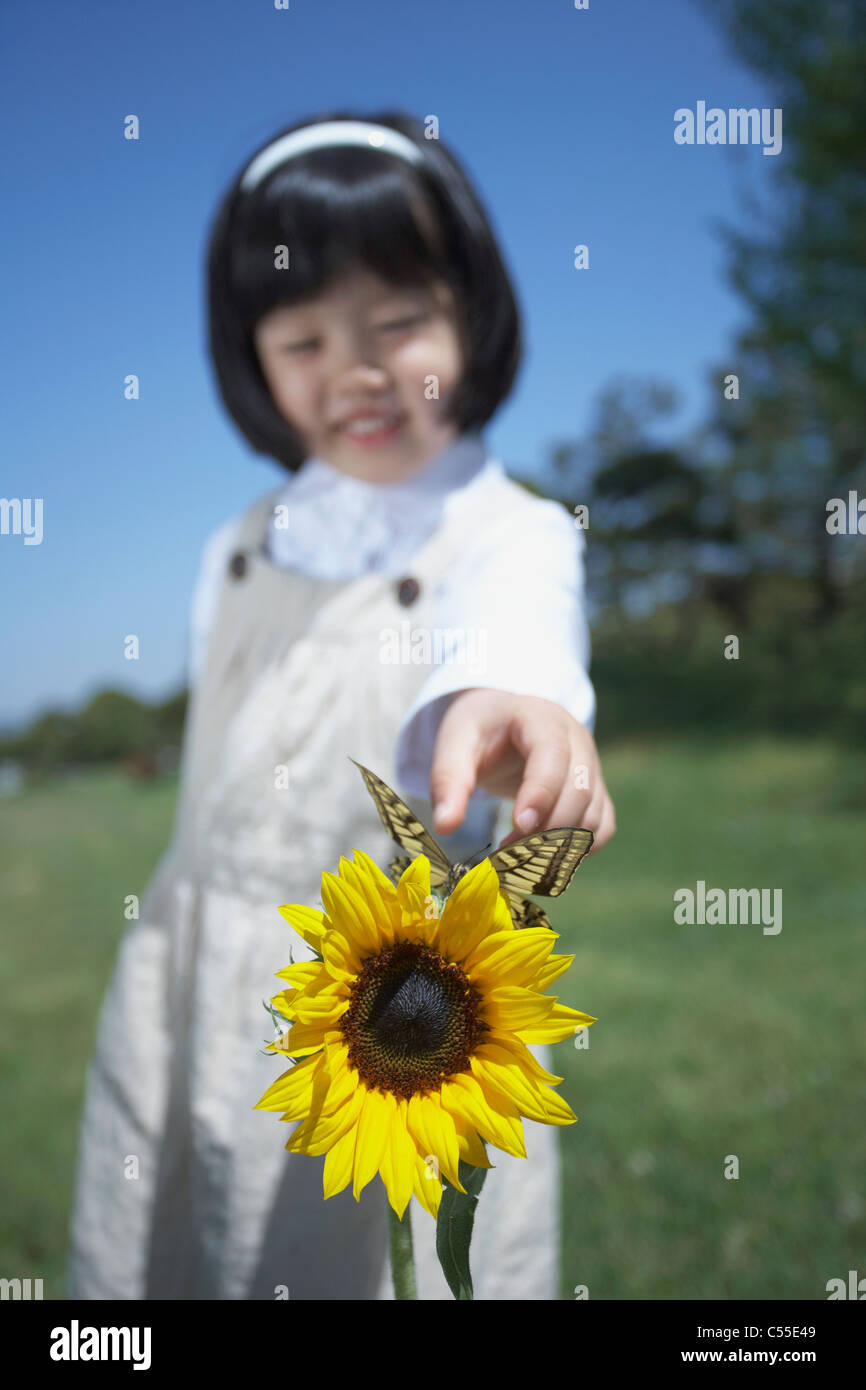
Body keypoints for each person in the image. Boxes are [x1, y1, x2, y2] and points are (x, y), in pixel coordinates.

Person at [66, 109, 616, 1302]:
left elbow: (505, 630)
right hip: (191, 960)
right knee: (155, 1252)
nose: (355, 371)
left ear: (472, 312)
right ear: (247, 355)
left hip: (403, 1014)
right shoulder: (238, 547)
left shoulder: (507, 533)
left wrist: (506, 699)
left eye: (399, 322)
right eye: (302, 337)